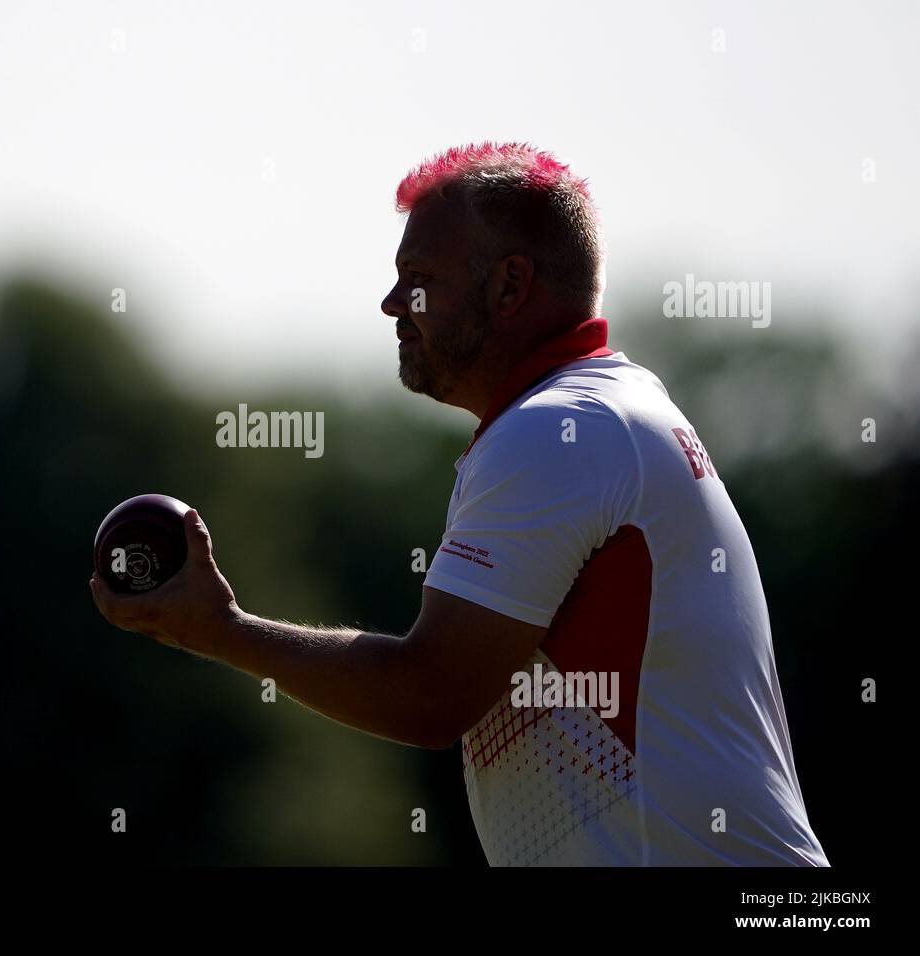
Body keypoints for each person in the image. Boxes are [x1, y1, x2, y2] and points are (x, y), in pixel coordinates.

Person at [89, 142, 828, 867]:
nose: (390, 305)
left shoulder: (556, 432)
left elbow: (429, 696)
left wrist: (222, 631)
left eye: (418, 280)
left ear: (509, 287)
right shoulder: (599, 409)